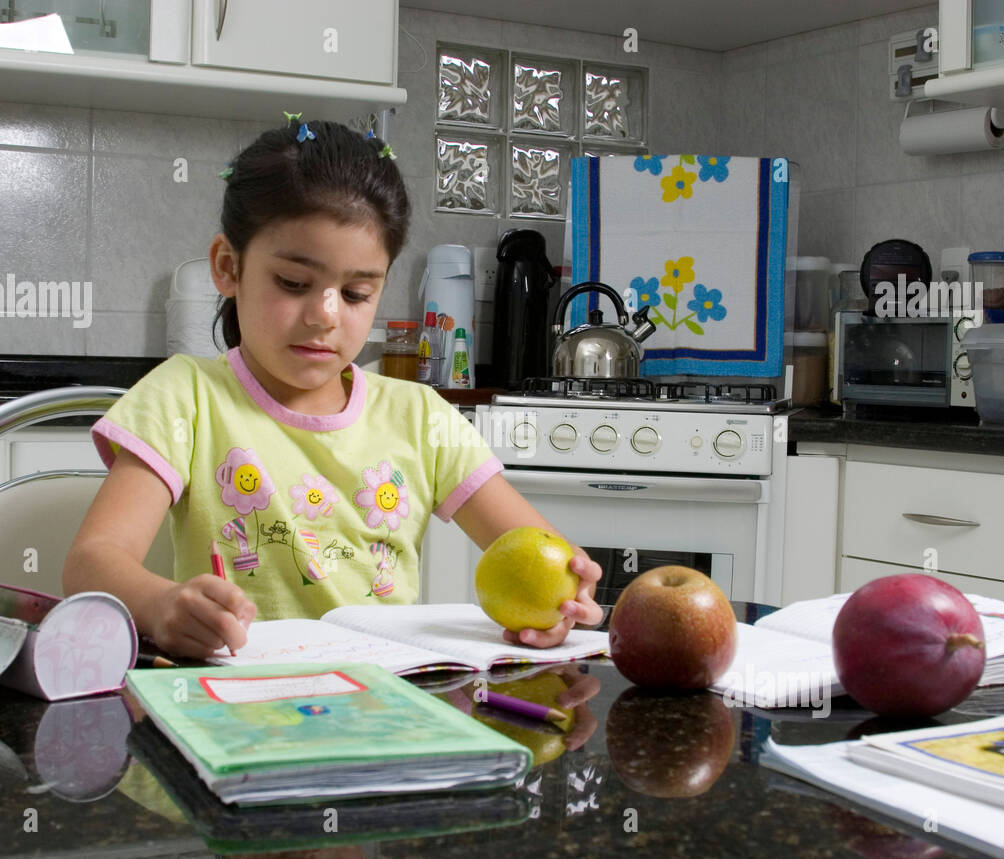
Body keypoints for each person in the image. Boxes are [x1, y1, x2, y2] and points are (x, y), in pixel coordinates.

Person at [63, 118, 603, 660]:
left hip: (384, 708)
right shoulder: (186, 397)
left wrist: (566, 602)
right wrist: (160, 604)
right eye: (294, 284)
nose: (325, 316)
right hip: (240, 706)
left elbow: (546, 557)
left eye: (355, 293)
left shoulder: (419, 416)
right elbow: (91, 562)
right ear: (229, 268)